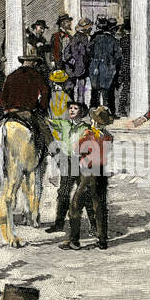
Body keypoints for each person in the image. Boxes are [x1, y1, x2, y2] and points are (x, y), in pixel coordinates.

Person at [62, 106, 114, 251]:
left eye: (93, 119)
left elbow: (76, 149)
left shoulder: (89, 135)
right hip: (101, 174)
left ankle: (74, 241)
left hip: (88, 174)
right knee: (100, 207)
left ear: (95, 122)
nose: (91, 120)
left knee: (75, 206)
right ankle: (102, 240)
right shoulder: (108, 136)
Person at [46, 100, 88, 234]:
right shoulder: (63, 124)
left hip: (81, 162)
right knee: (63, 193)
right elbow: (49, 122)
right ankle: (59, 224)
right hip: (66, 161)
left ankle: (94, 226)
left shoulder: (86, 128)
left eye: (75, 108)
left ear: (81, 111)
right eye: (70, 108)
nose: (72, 110)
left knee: (85, 193)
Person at [87, 16, 122, 112]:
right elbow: (118, 57)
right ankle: (110, 112)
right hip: (108, 69)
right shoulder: (114, 41)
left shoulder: (95, 39)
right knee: (109, 92)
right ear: (113, 30)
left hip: (95, 69)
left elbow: (89, 52)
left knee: (95, 92)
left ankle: (93, 111)